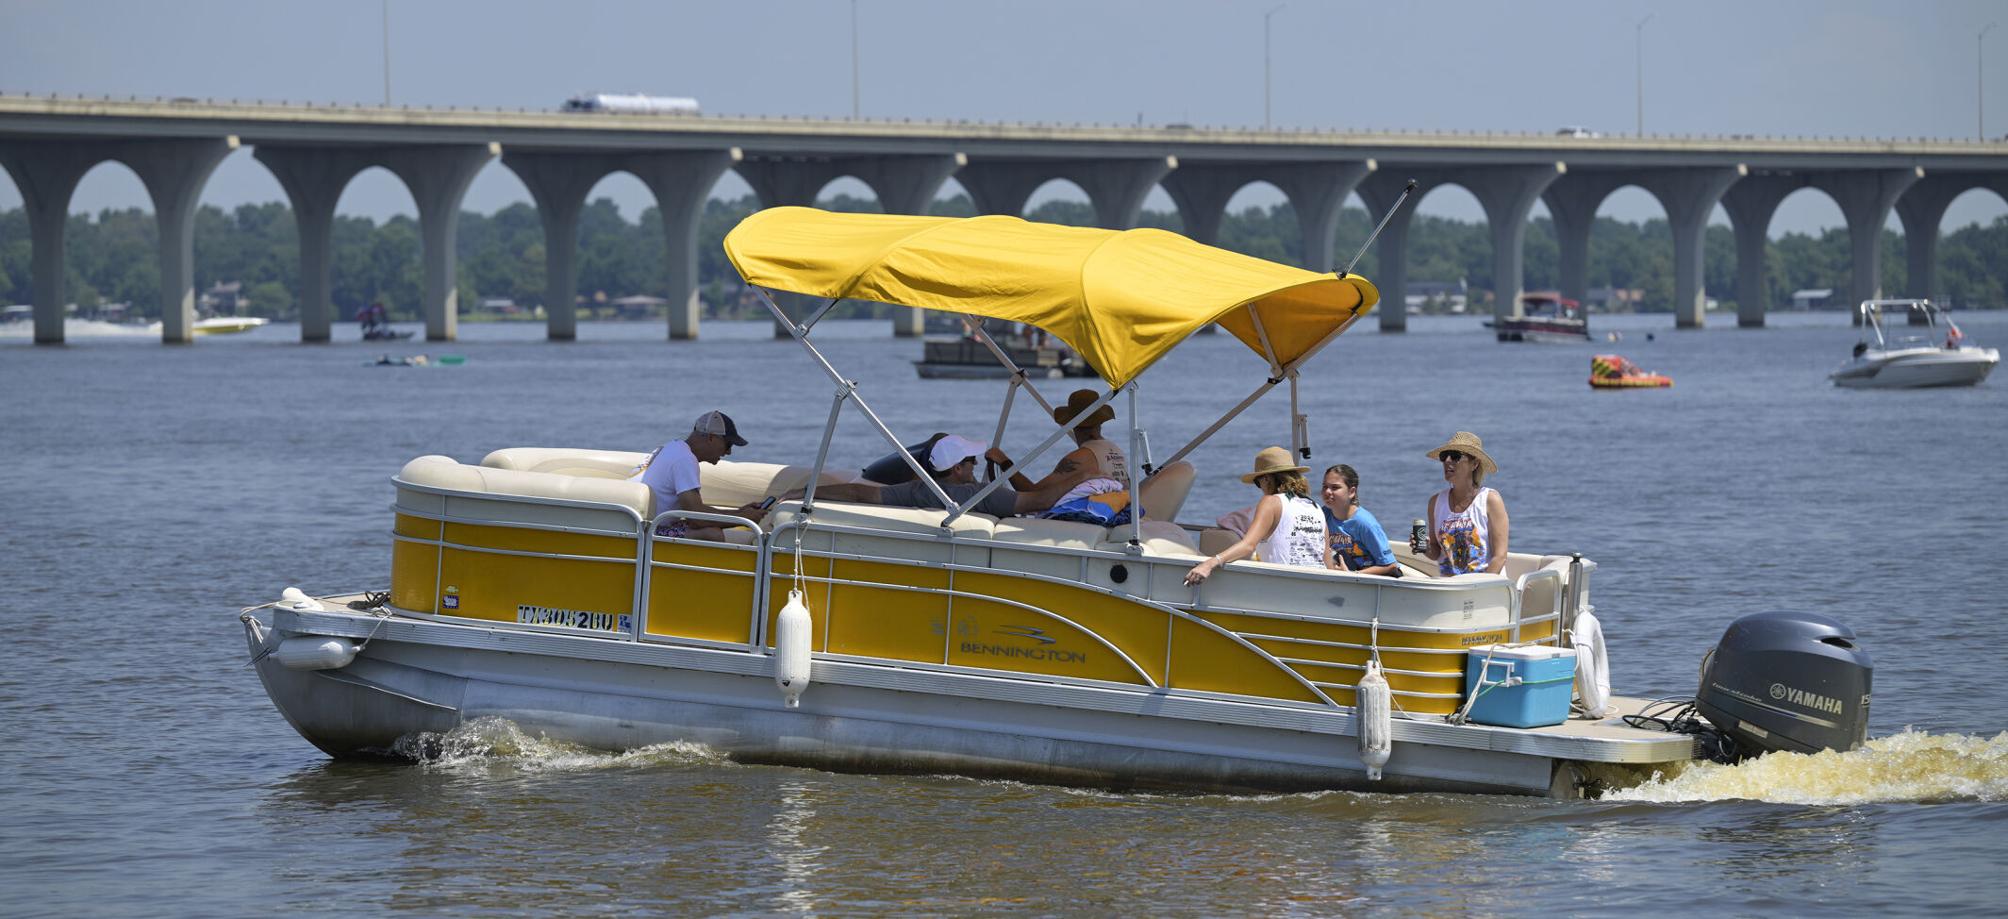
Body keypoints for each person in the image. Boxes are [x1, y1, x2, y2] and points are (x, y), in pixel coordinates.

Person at [787, 435, 1088, 517]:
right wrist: (1084, 476)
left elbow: (857, 493)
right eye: (970, 461)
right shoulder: (980, 496)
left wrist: (801, 493)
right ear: (957, 469)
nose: (975, 463)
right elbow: (1040, 501)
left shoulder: (916, 490)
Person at [1184, 447, 1328, 586]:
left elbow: (1248, 545)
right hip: (1317, 586)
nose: (1260, 488)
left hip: (1284, 586)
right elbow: (1326, 559)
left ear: (1266, 479)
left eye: (1257, 483)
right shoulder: (1316, 508)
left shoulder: (1271, 502)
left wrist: (1210, 563)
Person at [630, 410, 768, 540]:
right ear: (712, 437)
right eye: (728, 445)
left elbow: (695, 513)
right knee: (712, 534)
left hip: (636, 523)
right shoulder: (685, 459)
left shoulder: (673, 447)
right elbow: (696, 518)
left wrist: (739, 513)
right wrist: (744, 518)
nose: (729, 452)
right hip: (643, 531)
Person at [984, 388, 1129, 493]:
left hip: (1092, 522)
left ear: (1071, 423)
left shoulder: (1080, 458)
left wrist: (1004, 462)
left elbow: (1033, 494)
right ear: (1101, 421)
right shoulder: (1116, 450)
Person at [1414, 432, 1510, 576]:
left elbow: (1500, 557)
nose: (1447, 460)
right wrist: (1425, 547)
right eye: (1444, 456)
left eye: (1455, 456)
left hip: (1488, 585)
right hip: (1450, 587)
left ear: (1474, 464)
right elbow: (1436, 552)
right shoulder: (1435, 502)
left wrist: (1479, 586)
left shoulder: (1490, 500)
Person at [1320, 464, 1400, 577]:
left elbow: (1390, 565)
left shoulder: (1364, 523)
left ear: (1351, 492)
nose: (1327, 491)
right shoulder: (1322, 515)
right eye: (1325, 486)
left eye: (1335, 487)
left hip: (1366, 580)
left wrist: (1352, 575)